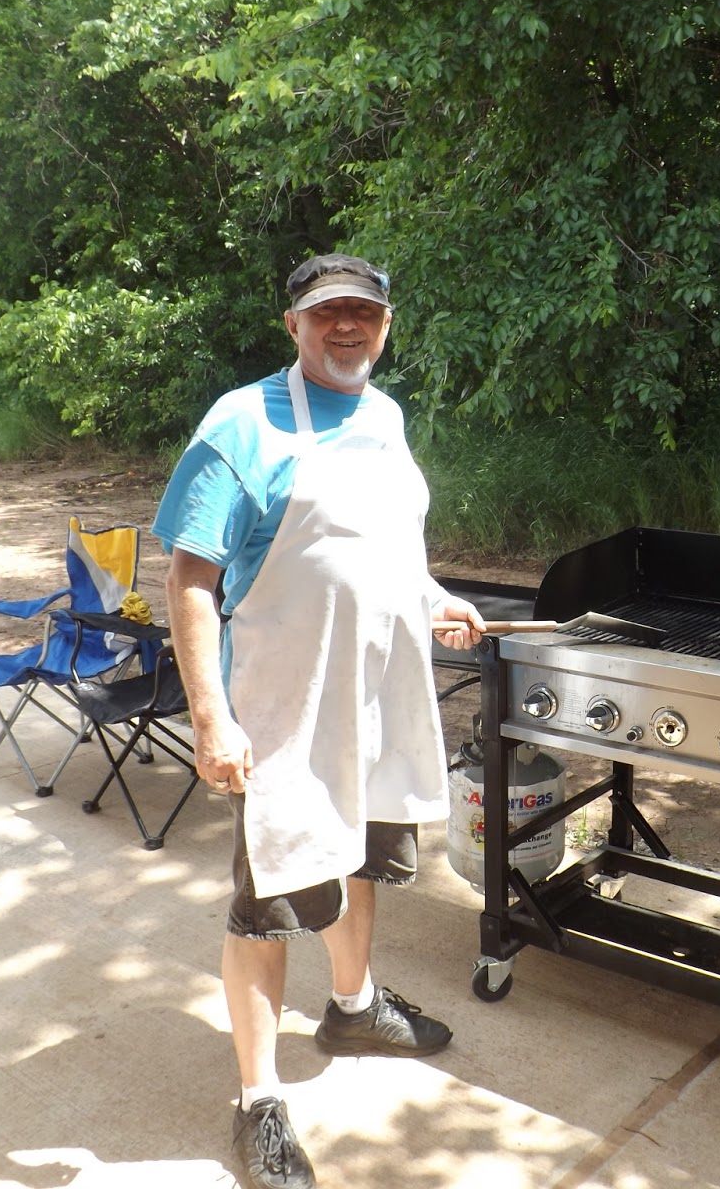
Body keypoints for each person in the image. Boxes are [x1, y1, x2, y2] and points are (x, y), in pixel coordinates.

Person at [153, 253, 485, 1189]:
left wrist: (432, 593)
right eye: (327, 312)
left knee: (362, 853)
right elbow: (189, 577)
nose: (348, 327)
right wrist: (210, 719)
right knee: (270, 899)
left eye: (365, 313)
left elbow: (383, 542)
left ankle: (353, 1005)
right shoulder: (242, 423)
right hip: (283, 705)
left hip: (377, 697)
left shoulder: (385, 417)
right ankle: (258, 1102)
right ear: (292, 324)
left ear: (387, 325)